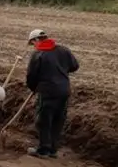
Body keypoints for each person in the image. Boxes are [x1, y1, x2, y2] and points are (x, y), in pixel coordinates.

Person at [25, 28, 79, 159]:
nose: (34, 46)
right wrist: (61, 71)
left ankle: (43, 150)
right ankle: (53, 149)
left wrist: (33, 88)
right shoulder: (64, 50)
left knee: (44, 121)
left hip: (47, 92)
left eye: (33, 43)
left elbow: (31, 76)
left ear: (37, 40)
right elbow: (75, 66)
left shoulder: (38, 55)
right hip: (64, 90)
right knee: (58, 119)